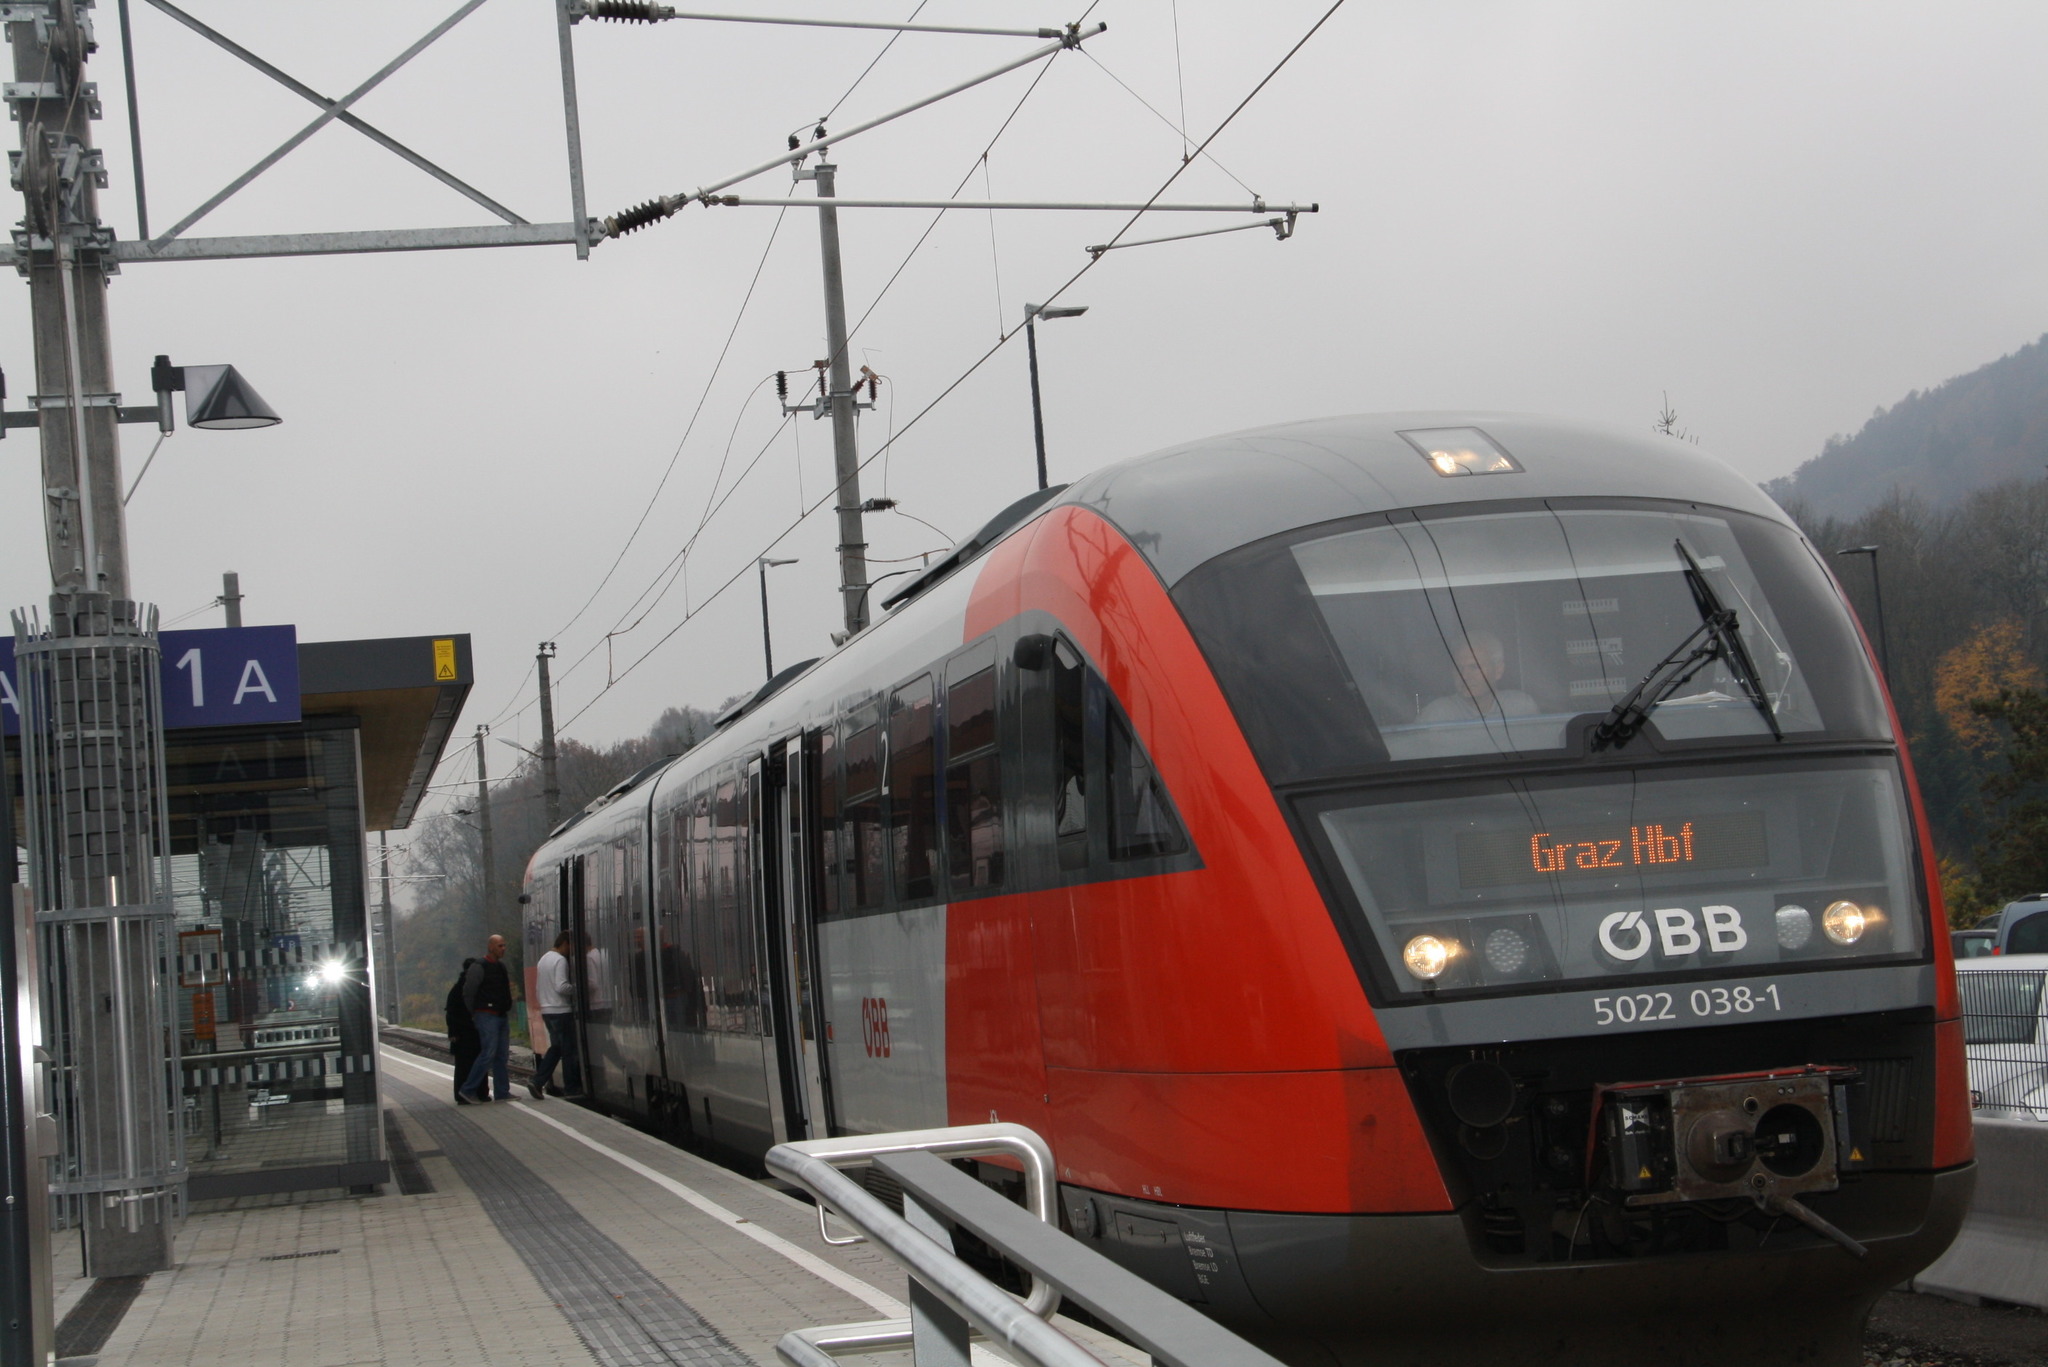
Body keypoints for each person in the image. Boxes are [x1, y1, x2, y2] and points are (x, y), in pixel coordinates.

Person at [1419, 630, 1539, 722]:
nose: (1464, 676)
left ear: (1498, 670)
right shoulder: (1436, 715)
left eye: (1474, 667)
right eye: (1459, 668)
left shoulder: (1521, 708)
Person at [458, 934, 513, 1103]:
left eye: (504, 946)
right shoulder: (479, 966)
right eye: (499, 946)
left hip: (501, 1014)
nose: (503, 949)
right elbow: (468, 991)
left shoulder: (501, 967)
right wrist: (474, 1012)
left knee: (501, 1055)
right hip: (486, 1014)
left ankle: (502, 1091)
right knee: (488, 1052)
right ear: (490, 947)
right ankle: (468, 1090)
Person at [528, 930, 583, 1100]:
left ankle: (537, 1081)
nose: (572, 951)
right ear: (566, 943)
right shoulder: (560, 960)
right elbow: (561, 986)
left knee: (556, 1048)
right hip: (561, 1011)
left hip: (547, 1011)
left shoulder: (544, 959)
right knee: (569, 1051)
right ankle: (572, 1088)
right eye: (572, 946)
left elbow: (538, 988)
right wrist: (577, 988)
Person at [444, 957, 488, 1104]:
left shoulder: (456, 989)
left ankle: (464, 1094)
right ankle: (480, 1093)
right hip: (469, 1032)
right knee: (475, 1064)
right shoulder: (470, 988)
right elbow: (451, 1012)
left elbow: (450, 1013)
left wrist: (453, 1032)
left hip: (464, 1033)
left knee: (464, 1065)